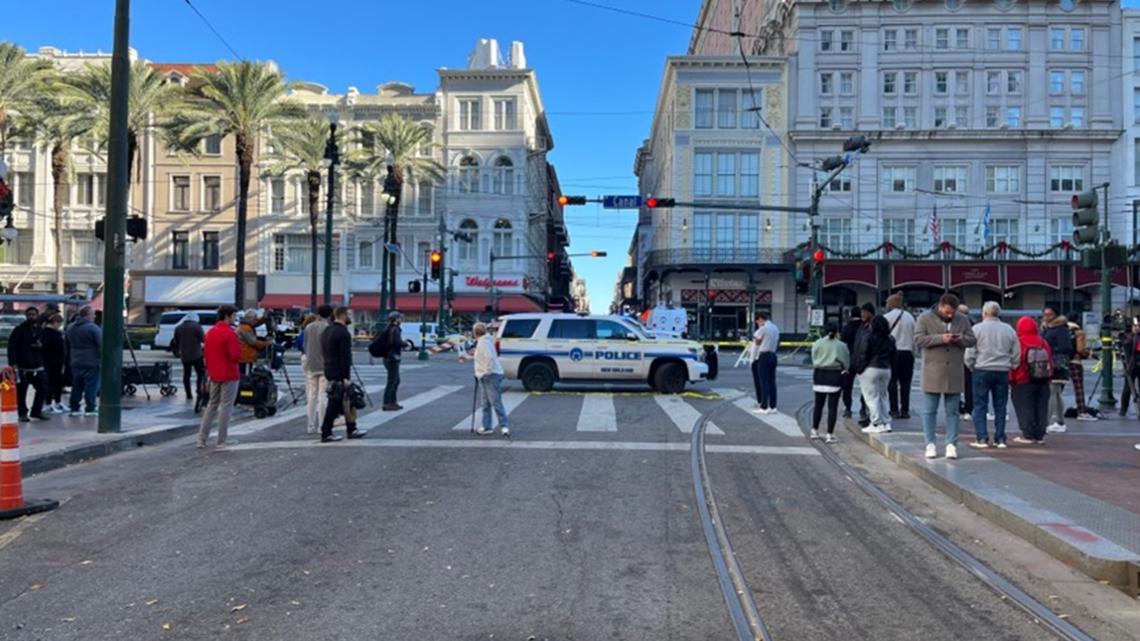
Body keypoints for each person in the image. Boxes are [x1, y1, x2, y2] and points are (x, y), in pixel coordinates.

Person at [913, 293, 977, 460]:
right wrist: (941, 338)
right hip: (932, 370)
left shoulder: (962, 319)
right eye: (947, 312)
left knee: (953, 411)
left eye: (953, 312)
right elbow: (919, 340)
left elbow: (972, 339)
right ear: (940, 307)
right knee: (929, 410)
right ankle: (930, 443)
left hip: (954, 371)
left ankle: (951, 444)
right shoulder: (924, 318)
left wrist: (959, 339)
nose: (951, 315)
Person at [964, 301, 1019, 449]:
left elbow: (970, 352)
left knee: (980, 404)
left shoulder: (977, 329)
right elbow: (1016, 352)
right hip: (1002, 370)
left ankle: (982, 437)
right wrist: (1012, 365)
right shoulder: (1009, 330)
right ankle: (1000, 438)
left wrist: (971, 365)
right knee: (1000, 405)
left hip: (981, 369)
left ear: (984, 313)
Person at [319, 306, 367, 443]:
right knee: (336, 403)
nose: (350, 317)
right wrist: (345, 377)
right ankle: (328, 432)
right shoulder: (343, 333)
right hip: (339, 371)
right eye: (349, 314)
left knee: (346, 401)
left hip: (329, 368)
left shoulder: (327, 331)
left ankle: (351, 428)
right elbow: (345, 357)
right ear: (343, 315)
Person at [198, 305, 242, 449]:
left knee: (211, 405)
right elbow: (235, 356)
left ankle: (202, 438)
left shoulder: (210, 332)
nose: (235, 319)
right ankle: (221, 439)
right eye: (234, 316)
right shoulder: (230, 333)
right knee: (226, 406)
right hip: (229, 373)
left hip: (214, 373)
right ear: (227, 316)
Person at [1010, 316, 1054, 445]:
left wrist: (1011, 378)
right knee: (1041, 406)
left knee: (1024, 407)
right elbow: (1049, 361)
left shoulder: (1018, 342)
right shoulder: (1042, 342)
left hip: (1022, 380)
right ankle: (1039, 434)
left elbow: (1015, 362)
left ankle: (1028, 434)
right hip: (1042, 380)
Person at [463, 322, 510, 437]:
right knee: (486, 403)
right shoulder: (484, 341)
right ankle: (488, 426)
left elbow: (489, 359)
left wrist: (485, 372)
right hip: (486, 375)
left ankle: (504, 426)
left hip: (489, 375)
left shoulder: (483, 343)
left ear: (475, 332)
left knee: (495, 402)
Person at [810, 321, 850, 443]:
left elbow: (813, 359)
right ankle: (829, 434)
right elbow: (846, 363)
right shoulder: (841, 345)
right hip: (835, 376)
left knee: (818, 405)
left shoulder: (817, 343)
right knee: (832, 407)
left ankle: (814, 430)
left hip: (819, 375)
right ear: (837, 331)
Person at [7, 307, 49, 422]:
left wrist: (41, 346)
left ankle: (37, 411)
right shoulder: (19, 330)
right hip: (23, 366)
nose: (31, 317)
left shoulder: (40, 330)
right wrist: (13, 363)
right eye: (29, 314)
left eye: (34, 314)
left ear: (37, 315)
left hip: (38, 365)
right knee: (21, 391)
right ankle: (22, 413)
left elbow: (46, 346)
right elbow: (12, 347)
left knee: (42, 388)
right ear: (26, 315)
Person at [856, 314, 895, 434]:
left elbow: (863, 354)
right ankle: (886, 422)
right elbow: (894, 355)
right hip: (886, 368)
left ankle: (876, 422)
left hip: (871, 368)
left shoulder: (868, 337)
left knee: (871, 397)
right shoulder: (890, 339)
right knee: (883, 396)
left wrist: (860, 369)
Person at [1040, 306, 1073, 434]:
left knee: (1052, 392)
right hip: (1051, 361)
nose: (1047, 317)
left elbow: (1066, 347)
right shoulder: (1048, 328)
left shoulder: (1059, 329)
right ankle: (1060, 421)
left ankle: (1045, 422)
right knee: (1056, 393)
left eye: (1050, 314)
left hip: (1055, 363)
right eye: (1045, 314)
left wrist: (1051, 351)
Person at [64, 306, 102, 417]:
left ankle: (74, 407)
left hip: (75, 360)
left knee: (77, 385)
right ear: (88, 315)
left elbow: (66, 345)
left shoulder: (70, 327)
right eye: (93, 314)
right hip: (92, 360)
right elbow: (101, 345)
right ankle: (90, 407)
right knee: (91, 385)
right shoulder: (93, 328)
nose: (95, 316)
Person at [884, 294, 916, 420]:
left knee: (892, 382)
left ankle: (894, 409)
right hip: (907, 353)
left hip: (892, 352)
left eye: (887, 303)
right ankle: (905, 410)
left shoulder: (886, 317)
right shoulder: (910, 318)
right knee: (906, 383)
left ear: (892, 304)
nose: (886, 305)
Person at [301, 306, 331, 434]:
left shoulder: (308, 327)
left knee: (311, 396)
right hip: (324, 364)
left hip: (311, 364)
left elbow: (304, 345)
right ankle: (321, 425)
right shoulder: (327, 328)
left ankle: (310, 425)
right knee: (322, 396)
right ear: (329, 315)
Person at [173, 312, 206, 402]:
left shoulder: (178, 328)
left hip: (184, 355)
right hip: (197, 355)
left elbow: (176, 341)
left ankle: (188, 394)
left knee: (186, 375)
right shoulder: (197, 326)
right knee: (200, 374)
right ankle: (199, 390)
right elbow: (203, 339)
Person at [751, 312, 779, 414]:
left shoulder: (763, 329)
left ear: (761, 319)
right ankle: (773, 406)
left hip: (764, 355)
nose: (758, 323)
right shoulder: (775, 328)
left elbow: (758, 342)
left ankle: (764, 406)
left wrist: (755, 338)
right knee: (772, 381)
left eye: (757, 321)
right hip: (773, 355)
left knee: (764, 382)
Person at [1067, 320, 1096, 421]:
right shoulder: (1079, 332)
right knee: (1078, 388)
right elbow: (1080, 349)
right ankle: (1081, 412)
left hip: (1062, 361)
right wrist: (1089, 355)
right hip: (1075, 362)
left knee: (1057, 389)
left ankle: (1053, 411)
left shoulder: (1061, 329)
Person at [852, 303, 875, 426]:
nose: (862, 315)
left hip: (869, 365)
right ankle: (867, 414)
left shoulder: (872, 327)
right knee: (866, 393)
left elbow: (865, 347)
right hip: (862, 364)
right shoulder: (863, 326)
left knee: (872, 394)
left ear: (870, 313)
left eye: (864, 312)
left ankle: (873, 418)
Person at [41, 313, 68, 414]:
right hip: (52, 361)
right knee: (52, 383)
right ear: (55, 323)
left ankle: (56, 402)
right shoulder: (51, 334)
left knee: (56, 382)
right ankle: (50, 403)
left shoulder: (48, 333)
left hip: (53, 361)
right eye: (59, 323)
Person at [839, 307, 863, 418]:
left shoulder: (846, 328)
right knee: (864, 385)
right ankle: (863, 407)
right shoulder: (864, 326)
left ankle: (848, 407)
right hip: (862, 359)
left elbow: (842, 345)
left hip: (849, 359)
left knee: (847, 385)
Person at [381, 311, 404, 411]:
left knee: (395, 380)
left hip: (388, 357)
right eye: (400, 318)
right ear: (396, 319)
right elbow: (396, 342)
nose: (401, 320)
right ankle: (388, 402)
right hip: (392, 358)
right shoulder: (395, 329)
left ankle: (392, 401)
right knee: (393, 381)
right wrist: (405, 343)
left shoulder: (388, 328)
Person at [237, 309, 269, 376]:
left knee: (244, 374)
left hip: (245, 356)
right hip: (246, 357)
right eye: (255, 319)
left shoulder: (245, 326)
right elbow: (253, 342)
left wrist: (264, 318)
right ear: (250, 318)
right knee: (246, 376)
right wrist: (266, 343)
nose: (256, 320)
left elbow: (256, 323)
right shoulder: (246, 328)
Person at [1120, 318, 1140, 417]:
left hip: (1135, 365)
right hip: (1131, 366)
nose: (1137, 328)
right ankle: (1123, 409)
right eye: (1135, 326)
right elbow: (1128, 349)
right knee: (1127, 388)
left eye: (1138, 326)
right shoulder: (1128, 337)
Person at [958, 304, 974, 422]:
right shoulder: (973, 325)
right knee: (969, 386)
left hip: (957, 358)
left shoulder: (955, 324)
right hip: (969, 360)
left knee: (955, 385)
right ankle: (969, 409)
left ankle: (958, 407)